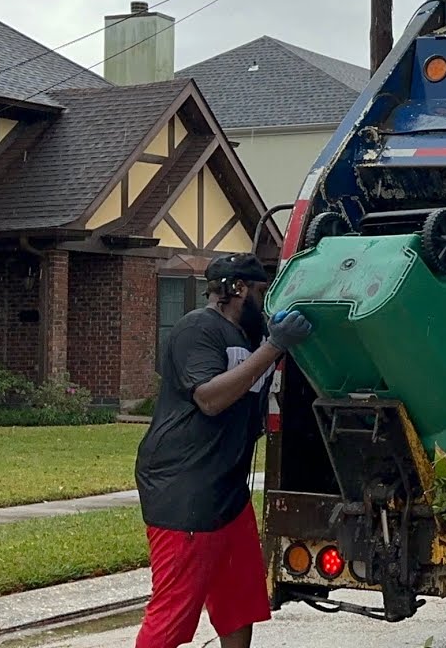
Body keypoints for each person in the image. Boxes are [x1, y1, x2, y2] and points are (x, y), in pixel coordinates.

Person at [134, 253, 312, 648]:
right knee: (173, 612)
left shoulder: (248, 336)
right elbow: (210, 399)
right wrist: (274, 347)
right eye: (261, 292)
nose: (266, 303)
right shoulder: (197, 329)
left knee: (239, 603)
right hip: (185, 489)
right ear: (237, 289)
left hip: (227, 491)